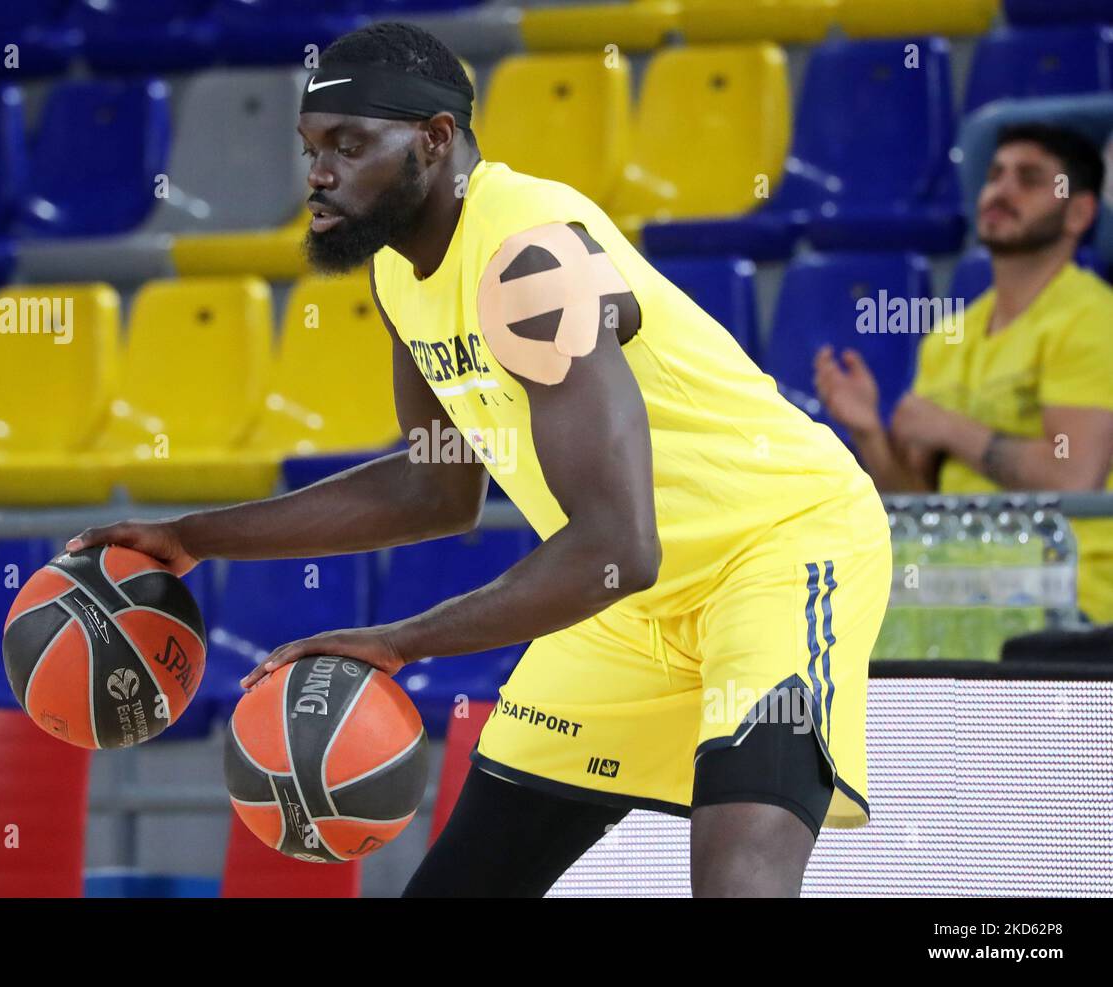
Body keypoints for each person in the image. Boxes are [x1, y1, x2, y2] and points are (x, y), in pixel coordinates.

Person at [69, 22, 891, 897]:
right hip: (630, 609)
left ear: (434, 138)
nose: (319, 173)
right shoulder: (399, 274)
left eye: (351, 145)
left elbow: (619, 542)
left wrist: (397, 641)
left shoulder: (531, 258)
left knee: (739, 879)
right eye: (312, 147)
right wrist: (195, 536)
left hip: (774, 552)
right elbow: (432, 486)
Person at [816, 123, 1113, 624]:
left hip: (1064, 594)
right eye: (995, 175)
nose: (1000, 190)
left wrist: (951, 429)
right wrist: (869, 432)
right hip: (954, 586)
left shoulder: (1093, 319)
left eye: (1029, 178)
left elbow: (1074, 477)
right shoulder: (949, 336)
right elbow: (916, 506)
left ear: (1079, 211)